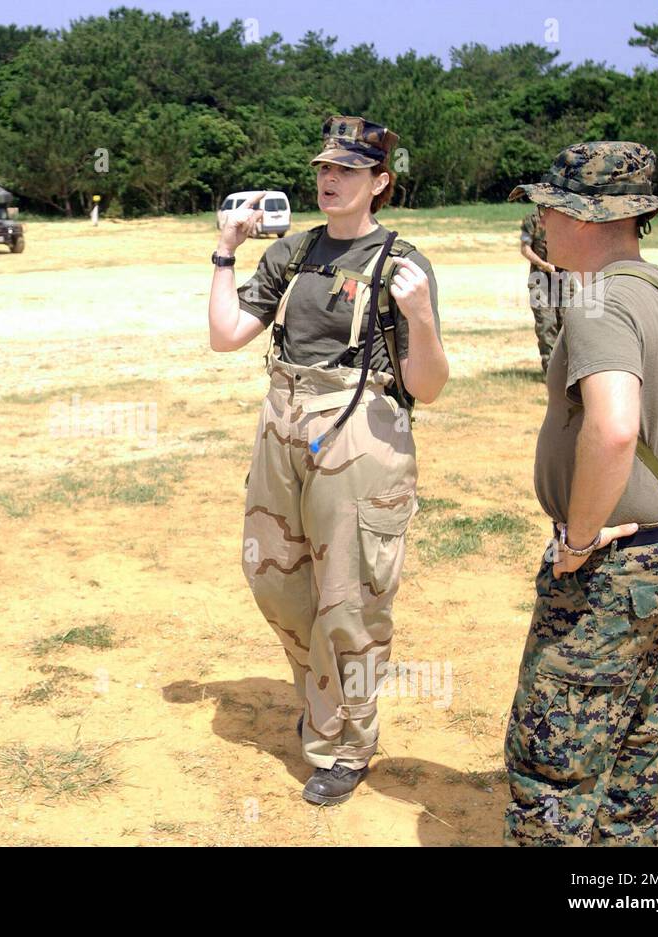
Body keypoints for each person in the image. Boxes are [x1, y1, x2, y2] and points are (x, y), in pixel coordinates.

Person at [208, 115, 449, 805]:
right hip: (284, 422)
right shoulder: (294, 253)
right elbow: (227, 335)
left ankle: (349, 743)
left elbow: (427, 386)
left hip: (361, 432)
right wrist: (226, 252)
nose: (330, 178)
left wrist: (423, 316)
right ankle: (324, 700)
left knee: (350, 598)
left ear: (381, 182)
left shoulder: (402, 264)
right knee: (273, 576)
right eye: (323, 167)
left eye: (347, 170)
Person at [504, 141, 658, 846]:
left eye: (548, 210)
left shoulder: (599, 302)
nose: (542, 225)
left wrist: (578, 537)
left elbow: (616, 429)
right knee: (633, 771)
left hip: (607, 574)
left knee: (551, 775)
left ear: (583, 218)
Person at [519, 208, 567, 372]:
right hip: (540, 277)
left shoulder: (565, 215)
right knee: (546, 323)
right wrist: (544, 265)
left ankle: (569, 371)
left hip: (563, 276)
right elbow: (525, 248)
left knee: (568, 322)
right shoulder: (531, 220)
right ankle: (551, 371)